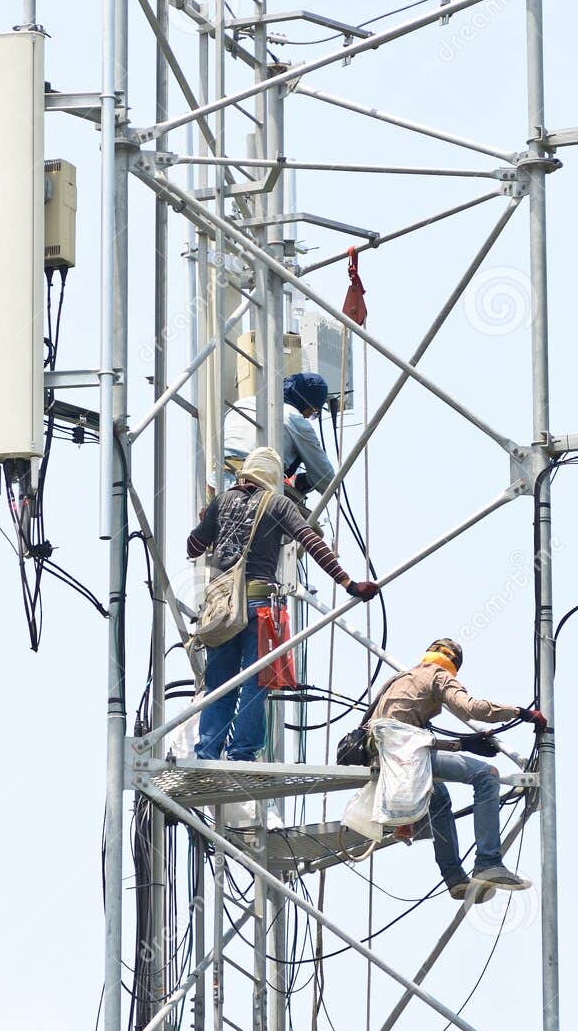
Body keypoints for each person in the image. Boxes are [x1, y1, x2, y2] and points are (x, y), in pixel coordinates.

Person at [187, 446, 378, 773]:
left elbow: (192, 547)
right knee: (254, 683)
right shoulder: (277, 503)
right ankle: (240, 757)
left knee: (219, 684)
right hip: (260, 606)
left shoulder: (221, 503)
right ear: (273, 478)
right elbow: (313, 543)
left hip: (219, 610)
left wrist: (208, 521)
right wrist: (348, 584)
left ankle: (206, 753)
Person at [369, 637, 545, 900]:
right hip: (404, 755)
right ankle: (488, 862)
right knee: (487, 776)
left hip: (384, 756)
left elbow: (403, 733)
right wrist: (521, 713)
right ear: (455, 665)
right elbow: (470, 708)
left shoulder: (400, 679)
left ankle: (454, 879)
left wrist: (464, 744)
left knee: (439, 797)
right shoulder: (438, 675)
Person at [224, 372, 336, 497]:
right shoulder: (295, 419)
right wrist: (305, 481)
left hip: (217, 481)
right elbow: (327, 479)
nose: (308, 416)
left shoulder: (241, 403)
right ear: (306, 402)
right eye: (314, 412)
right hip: (252, 489)